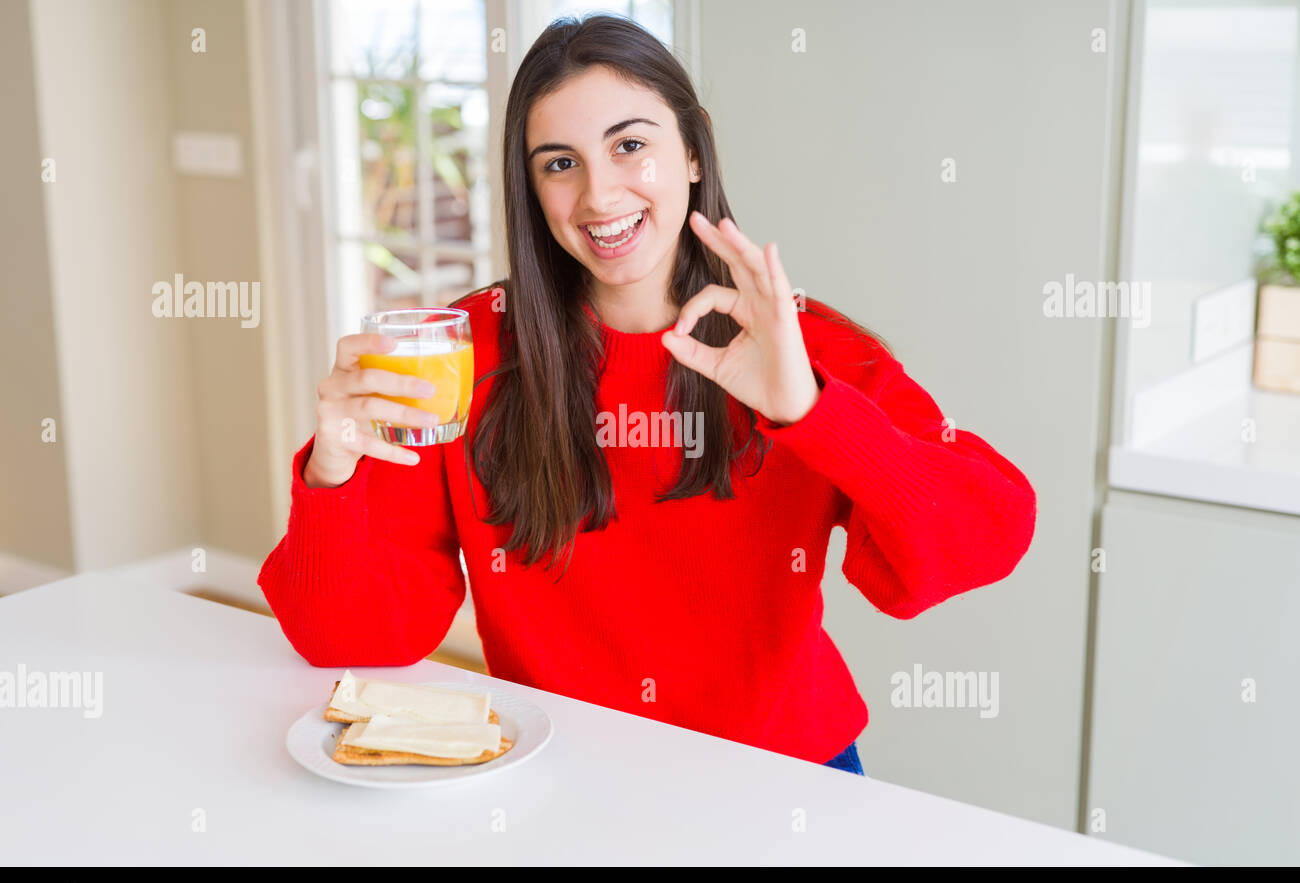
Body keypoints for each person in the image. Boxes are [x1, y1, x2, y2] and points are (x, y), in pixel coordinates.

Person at [258, 14, 1037, 777]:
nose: (599, 195)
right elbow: (349, 637)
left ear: (693, 151)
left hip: (786, 779)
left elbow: (986, 537)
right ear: (530, 187)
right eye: (559, 163)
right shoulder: (470, 351)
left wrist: (809, 410)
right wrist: (332, 473)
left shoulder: (801, 346)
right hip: (561, 782)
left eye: (630, 145)